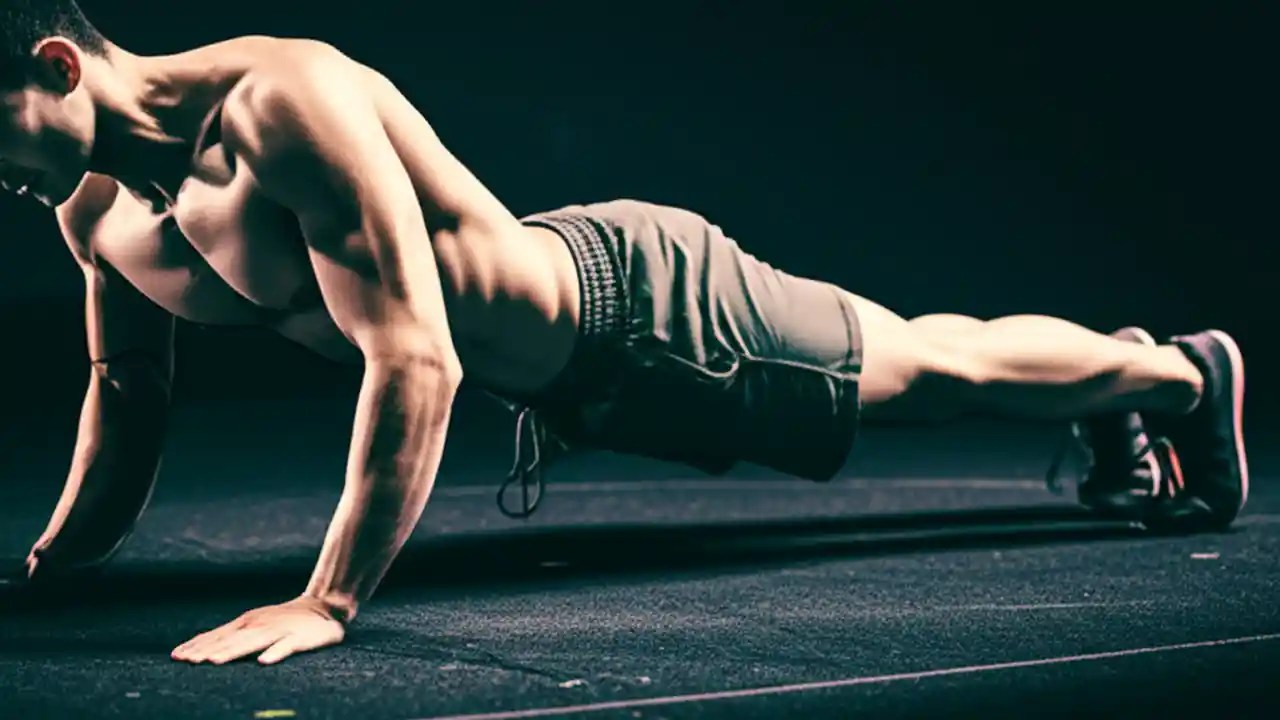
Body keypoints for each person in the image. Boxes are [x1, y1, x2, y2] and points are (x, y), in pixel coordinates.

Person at [0, 2, 1247, 666]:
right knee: (924, 365)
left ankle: (1173, 373)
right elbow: (127, 379)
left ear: (58, 63)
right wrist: (62, 558)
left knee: (925, 366)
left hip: (642, 312)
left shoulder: (280, 100)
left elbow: (414, 351)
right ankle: (1120, 381)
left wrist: (329, 601)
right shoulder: (96, 207)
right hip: (575, 376)